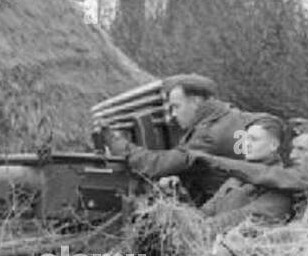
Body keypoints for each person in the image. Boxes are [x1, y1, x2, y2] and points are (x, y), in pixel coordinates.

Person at [106, 75, 251, 205]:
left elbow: (159, 165)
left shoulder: (209, 135)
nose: (173, 115)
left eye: (176, 107)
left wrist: (119, 145)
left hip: (223, 209)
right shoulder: (232, 115)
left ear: (195, 101)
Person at [188, 117, 308, 223]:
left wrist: (216, 162)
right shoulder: (307, 178)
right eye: (293, 149)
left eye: (302, 149)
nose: (293, 155)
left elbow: (267, 175)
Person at [195, 115, 296, 229]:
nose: (246, 144)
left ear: (273, 145)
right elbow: (209, 208)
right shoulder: (239, 175)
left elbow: (249, 217)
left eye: (254, 139)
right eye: (246, 139)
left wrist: (202, 227)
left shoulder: (279, 181)